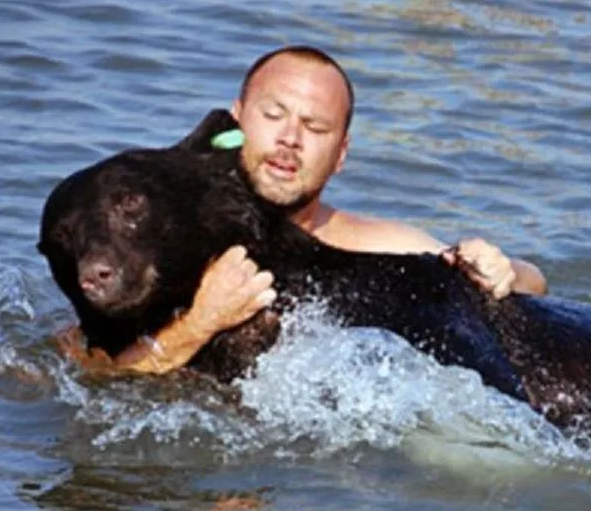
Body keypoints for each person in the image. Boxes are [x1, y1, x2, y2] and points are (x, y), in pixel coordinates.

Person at [62, 46, 547, 374]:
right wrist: (199, 324)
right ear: (235, 121)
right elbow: (85, 381)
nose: (290, 139)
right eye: (273, 116)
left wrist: (504, 269)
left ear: (341, 155)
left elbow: (533, 286)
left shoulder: (369, 245)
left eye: (314, 128)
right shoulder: (168, 236)